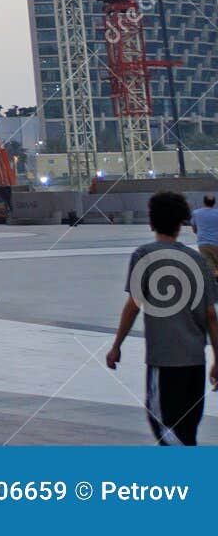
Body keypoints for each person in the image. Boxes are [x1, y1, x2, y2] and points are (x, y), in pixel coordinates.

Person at [106, 190, 218, 445]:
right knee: (187, 432)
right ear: (182, 224)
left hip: (165, 361)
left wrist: (116, 346)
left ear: (151, 221)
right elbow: (211, 315)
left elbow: (134, 305)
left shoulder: (144, 256)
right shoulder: (197, 260)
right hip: (195, 362)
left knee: (166, 430)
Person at [191, 195, 218, 278]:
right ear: (214, 203)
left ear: (204, 202)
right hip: (216, 243)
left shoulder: (196, 213)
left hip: (202, 244)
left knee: (210, 268)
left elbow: (194, 229)